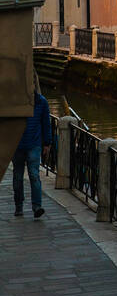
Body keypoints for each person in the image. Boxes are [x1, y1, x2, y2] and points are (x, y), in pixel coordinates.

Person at [13, 89, 52, 219]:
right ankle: (19, 205)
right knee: (18, 177)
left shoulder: (41, 102)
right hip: (17, 145)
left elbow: (46, 123)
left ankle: (37, 206)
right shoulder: (14, 100)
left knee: (34, 175)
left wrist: (47, 143)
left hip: (34, 145)